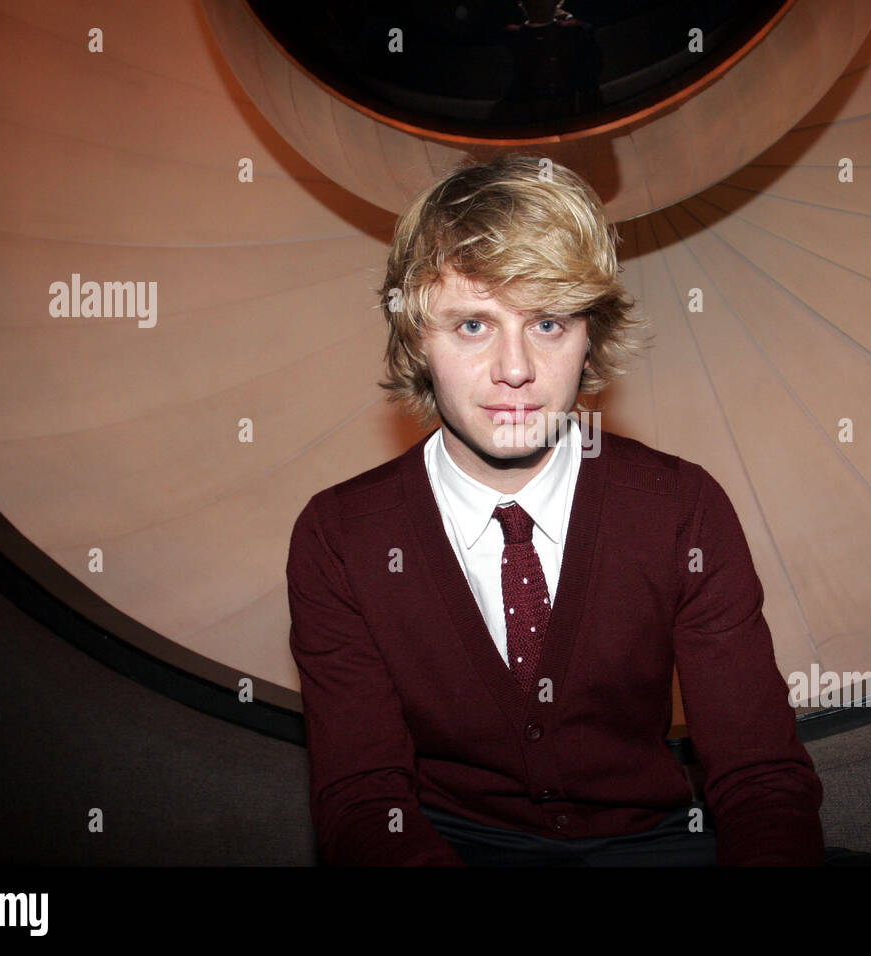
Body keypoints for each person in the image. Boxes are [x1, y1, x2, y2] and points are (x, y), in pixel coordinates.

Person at [286, 153, 825, 866]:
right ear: (418, 338)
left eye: (547, 323)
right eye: (473, 326)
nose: (515, 369)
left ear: (589, 336)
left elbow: (760, 779)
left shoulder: (680, 508)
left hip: (653, 846)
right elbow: (363, 803)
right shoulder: (341, 536)